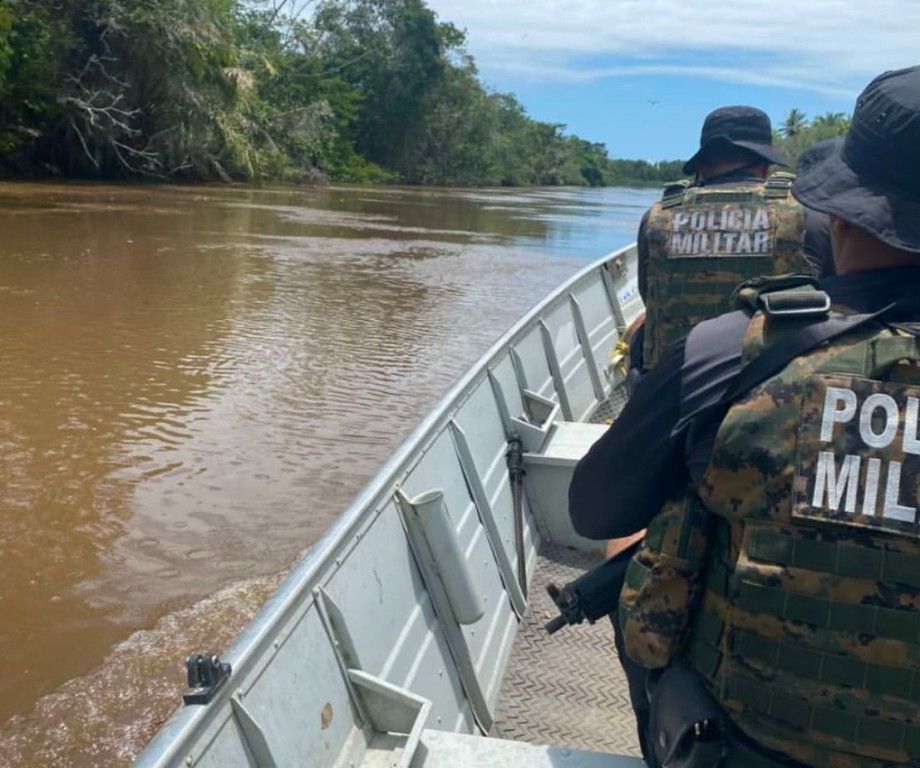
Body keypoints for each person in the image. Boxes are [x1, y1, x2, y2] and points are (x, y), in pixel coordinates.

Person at [571, 65, 920, 767]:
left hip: (743, 748)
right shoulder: (786, 243)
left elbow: (595, 510)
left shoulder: (731, 343)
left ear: (842, 215)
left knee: (647, 541)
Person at [635, 105, 834, 373]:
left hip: (676, 387)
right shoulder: (807, 215)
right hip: (773, 390)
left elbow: (650, 298)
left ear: (702, 166)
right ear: (765, 167)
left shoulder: (658, 217)